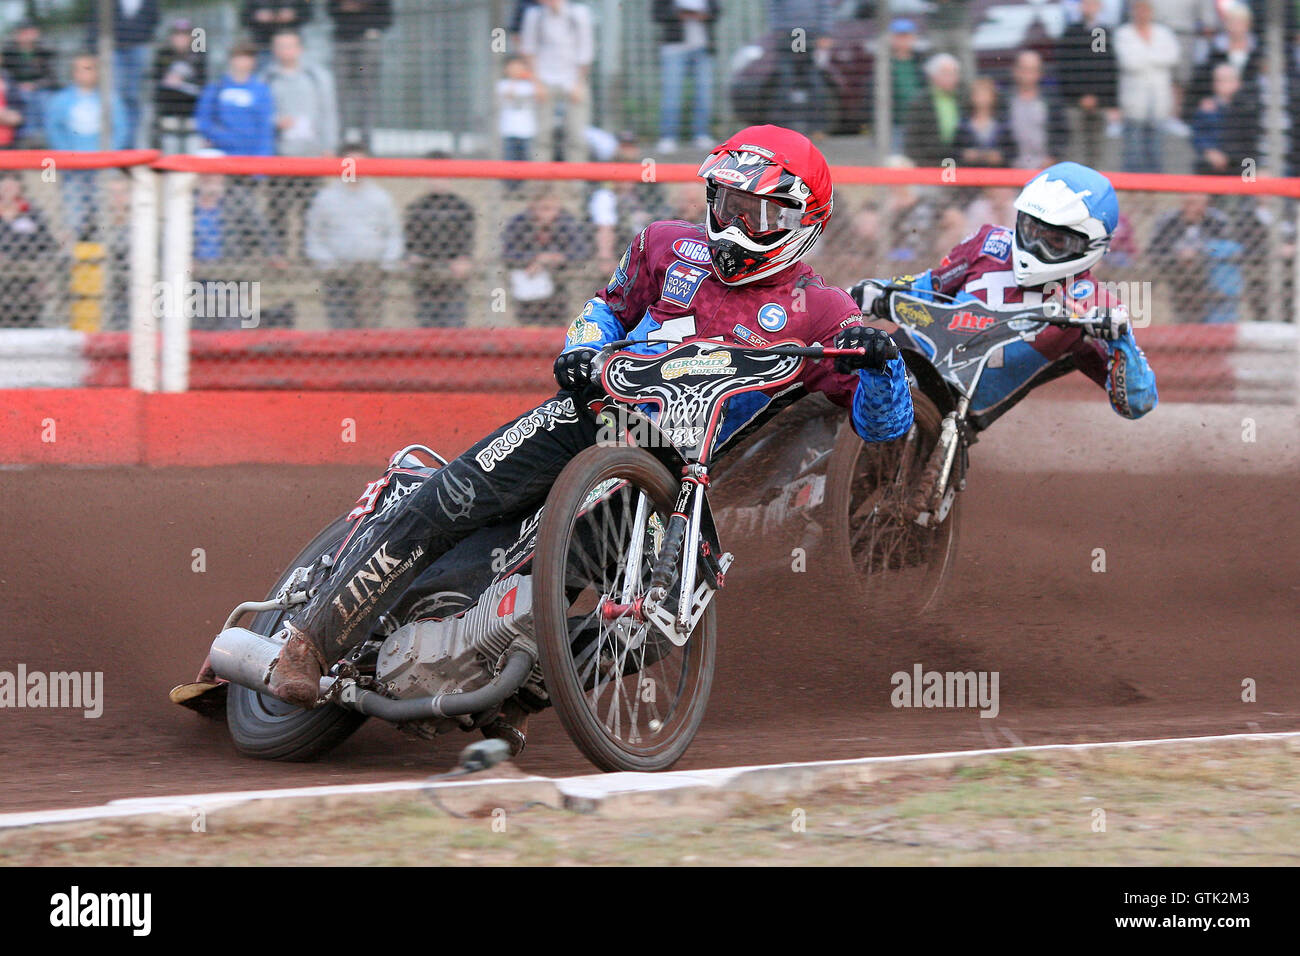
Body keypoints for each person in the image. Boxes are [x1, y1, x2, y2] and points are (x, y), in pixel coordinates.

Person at [260, 126, 914, 749]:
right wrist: (584, 347)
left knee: (658, 627)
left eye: (759, 214)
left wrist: (882, 363)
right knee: (455, 497)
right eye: (727, 204)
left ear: (804, 224)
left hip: (667, 474)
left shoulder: (822, 311)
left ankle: (519, 691)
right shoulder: (664, 243)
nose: (735, 226)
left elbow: (884, 427)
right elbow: (605, 307)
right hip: (589, 414)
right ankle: (310, 642)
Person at [849, 162, 1157, 428]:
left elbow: (1136, 404)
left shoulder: (1095, 305)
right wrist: (875, 292)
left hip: (958, 410)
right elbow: (930, 285)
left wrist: (1120, 340)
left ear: (1091, 245)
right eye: (1032, 230)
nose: (1036, 246)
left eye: (1056, 242)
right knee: (840, 367)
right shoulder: (989, 243)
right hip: (908, 355)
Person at [303, 142, 404, 327]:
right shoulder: (326, 198)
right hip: (337, 271)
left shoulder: (380, 198)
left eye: (361, 163)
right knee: (340, 326)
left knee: (369, 327)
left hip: (371, 272)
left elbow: (394, 235)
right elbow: (314, 236)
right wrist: (328, 264)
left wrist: (386, 265)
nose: (356, 169)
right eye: (350, 163)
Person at [263, 29, 339, 257]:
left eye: (290, 45)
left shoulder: (318, 77)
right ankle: (279, 256)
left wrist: (329, 147)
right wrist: (275, 121)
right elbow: (259, 114)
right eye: (280, 46)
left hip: (311, 156)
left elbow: (329, 113)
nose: (286, 51)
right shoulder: (266, 78)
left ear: (300, 49)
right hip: (280, 156)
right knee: (278, 209)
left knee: (311, 210)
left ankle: (309, 254)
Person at [45, 55, 130, 239]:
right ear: (73, 72)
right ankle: (73, 255)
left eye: (90, 68)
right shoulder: (61, 100)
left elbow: (121, 128)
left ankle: (107, 254)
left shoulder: (110, 99)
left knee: (105, 216)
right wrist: (67, 155)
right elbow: (53, 129)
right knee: (74, 214)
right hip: (73, 170)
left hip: (102, 169)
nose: (86, 73)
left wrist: (108, 155)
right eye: (81, 68)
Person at [501, 184, 592, 325]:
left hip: (559, 280)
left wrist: (555, 258)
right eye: (543, 209)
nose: (547, 214)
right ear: (532, 207)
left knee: (558, 312)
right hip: (528, 277)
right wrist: (534, 259)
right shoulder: (519, 223)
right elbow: (507, 253)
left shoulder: (566, 222)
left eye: (552, 209)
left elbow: (582, 252)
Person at [519, 0, 594, 162]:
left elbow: (586, 51)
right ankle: (540, 181)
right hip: (544, 79)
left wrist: (579, 84)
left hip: (574, 80)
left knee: (576, 134)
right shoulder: (535, 15)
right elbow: (529, 50)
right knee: (542, 135)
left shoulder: (579, 14)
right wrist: (536, 84)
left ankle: (576, 180)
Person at [1114, 0, 1179, 173]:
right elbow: (1129, 62)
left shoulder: (1163, 32)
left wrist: (1145, 57)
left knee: (1156, 150)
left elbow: (1172, 56)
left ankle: (1154, 192)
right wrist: (1156, 58)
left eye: (1146, 9)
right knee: (1133, 151)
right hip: (1134, 102)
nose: (1142, 13)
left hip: (1158, 101)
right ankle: (1133, 192)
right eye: (1138, 9)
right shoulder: (1124, 33)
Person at [404, 172, 476, 328]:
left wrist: (463, 258)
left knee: (454, 324)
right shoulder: (417, 207)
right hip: (426, 273)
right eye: (433, 176)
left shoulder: (462, 207)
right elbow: (410, 243)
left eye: (443, 176)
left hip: (453, 274)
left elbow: (467, 242)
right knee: (427, 324)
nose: (438, 181)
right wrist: (414, 257)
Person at [87, 0, 160, 148]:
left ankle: (130, 146)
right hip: (114, 48)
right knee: (115, 98)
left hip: (139, 47)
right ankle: (116, 146)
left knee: (135, 98)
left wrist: (141, 37)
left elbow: (154, 18)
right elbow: (97, 19)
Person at [1056, 0, 1118, 170]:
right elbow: (1067, 68)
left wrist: (1101, 98)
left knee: (1097, 151)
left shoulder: (1101, 33)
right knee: (1076, 150)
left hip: (1098, 104)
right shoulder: (1071, 32)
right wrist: (1080, 96)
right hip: (1075, 104)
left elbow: (1105, 67)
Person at [653, 0, 718, 154]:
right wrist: (678, 13)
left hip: (702, 47)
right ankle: (668, 137)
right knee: (672, 94)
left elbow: (716, 11)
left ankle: (701, 135)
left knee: (704, 93)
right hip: (674, 46)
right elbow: (657, 13)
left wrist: (703, 15)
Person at [327, 0, 393, 148]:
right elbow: (331, 10)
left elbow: (387, 18)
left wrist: (360, 9)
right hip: (342, 42)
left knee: (366, 95)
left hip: (367, 45)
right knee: (339, 96)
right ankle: (339, 142)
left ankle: (365, 143)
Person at [0, 173, 56, 327]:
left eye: (12, 186)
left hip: (28, 273)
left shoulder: (31, 212)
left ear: (20, 188)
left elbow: (47, 242)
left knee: (29, 304)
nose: (8, 190)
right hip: (1, 274)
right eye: (4, 186)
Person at [1191, 63, 1259, 177]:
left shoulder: (1248, 107)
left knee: (1252, 173)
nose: (1222, 84)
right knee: (1200, 176)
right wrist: (1209, 151)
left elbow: (1250, 138)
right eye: (1218, 80)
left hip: (1242, 160)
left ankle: (1249, 193)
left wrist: (1230, 155)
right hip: (1214, 161)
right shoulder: (1206, 108)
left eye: (1227, 80)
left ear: (1238, 82)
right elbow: (1198, 134)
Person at [1005, 50, 1067, 170]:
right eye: (1024, 69)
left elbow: (1062, 133)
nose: (1028, 74)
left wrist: (1052, 158)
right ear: (1015, 71)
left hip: (1046, 168)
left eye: (1032, 70)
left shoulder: (1052, 102)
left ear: (1040, 72)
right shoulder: (1005, 102)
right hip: (1012, 169)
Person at [153, 18, 207, 154]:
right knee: (170, 153)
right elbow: (157, 85)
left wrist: (180, 84)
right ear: (172, 37)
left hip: (192, 115)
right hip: (168, 113)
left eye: (184, 34)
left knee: (192, 155)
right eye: (177, 34)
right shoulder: (163, 55)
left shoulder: (199, 57)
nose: (181, 38)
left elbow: (202, 87)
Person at [2, 22, 58, 148]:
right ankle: (27, 135)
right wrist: (18, 86)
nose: (27, 36)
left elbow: (51, 78)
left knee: (46, 99)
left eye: (30, 32)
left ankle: (43, 135)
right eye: (24, 32)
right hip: (17, 91)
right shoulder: (9, 53)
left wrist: (35, 85)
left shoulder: (43, 52)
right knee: (24, 97)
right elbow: (7, 77)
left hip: (40, 90)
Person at [904, 53, 963, 168]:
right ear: (933, 76)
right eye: (945, 73)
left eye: (953, 73)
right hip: (928, 163)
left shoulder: (963, 98)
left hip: (958, 162)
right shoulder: (920, 103)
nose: (950, 78)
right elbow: (912, 139)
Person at [953, 76, 1015, 168]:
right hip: (970, 175)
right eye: (978, 94)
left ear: (993, 97)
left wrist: (1000, 156)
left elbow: (1012, 151)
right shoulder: (963, 125)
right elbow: (953, 151)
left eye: (985, 93)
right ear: (972, 97)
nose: (982, 98)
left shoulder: (1002, 125)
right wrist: (965, 154)